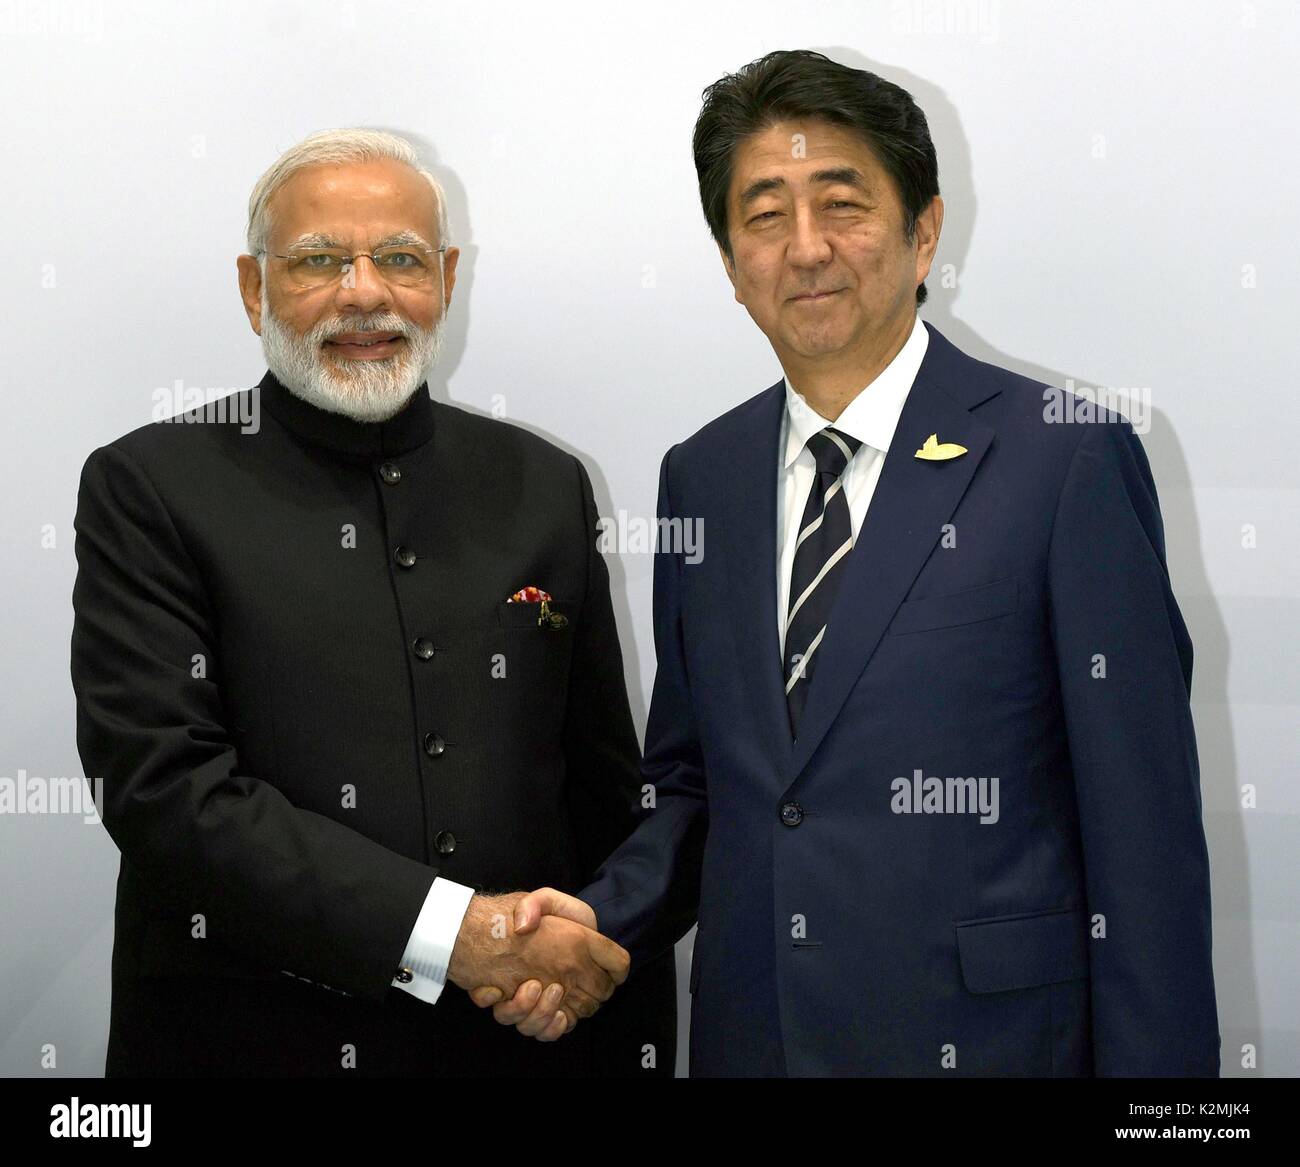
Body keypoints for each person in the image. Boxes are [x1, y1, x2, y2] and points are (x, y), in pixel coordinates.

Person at [475, 50, 1220, 1077]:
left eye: (843, 204)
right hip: (756, 1045)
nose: (807, 247)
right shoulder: (704, 474)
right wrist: (592, 921)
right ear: (732, 264)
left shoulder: (1065, 457)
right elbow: (698, 784)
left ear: (924, 232)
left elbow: (1144, 844)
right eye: (766, 215)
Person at [70, 127, 674, 1076]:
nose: (364, 292)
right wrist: (455, 933)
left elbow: (601, 788)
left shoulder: (545, 484)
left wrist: (585, 970)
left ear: (446, 276)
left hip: (520, 1043)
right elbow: (162, 790)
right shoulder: (148, 485)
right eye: (318, 260)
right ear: (252, 285)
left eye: (399, 259)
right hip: (247, 1044)